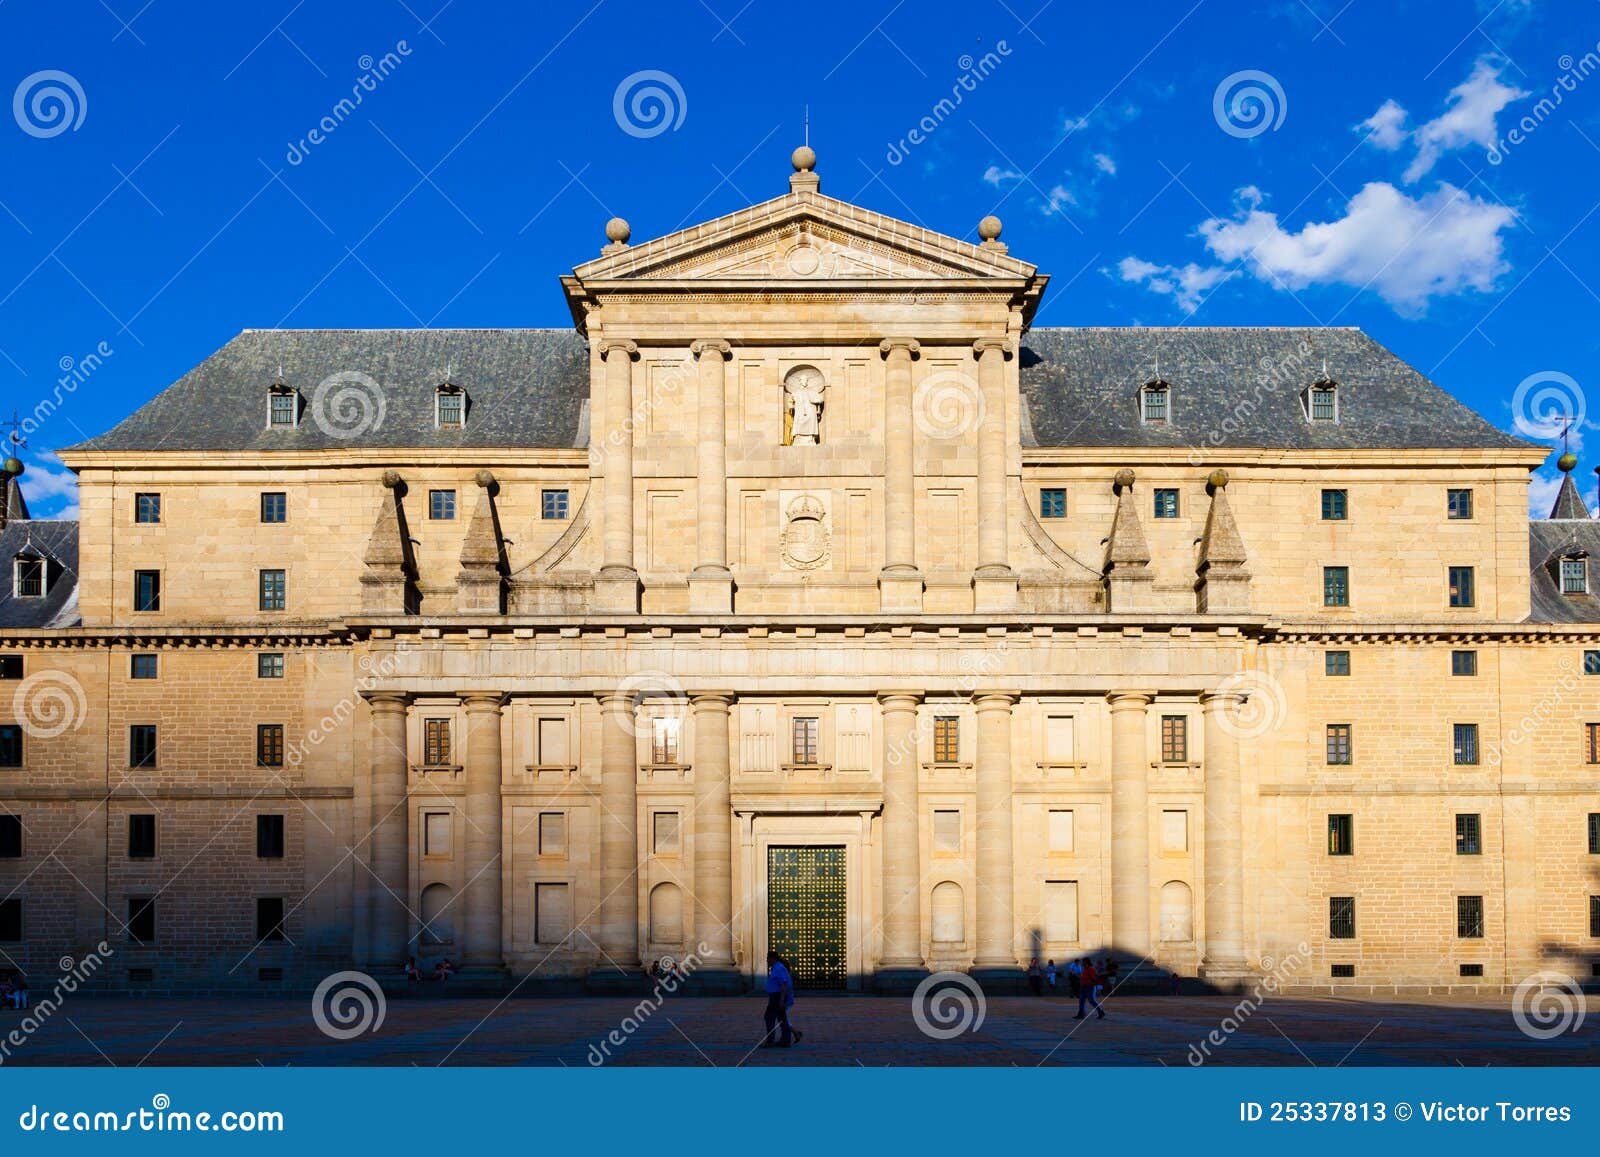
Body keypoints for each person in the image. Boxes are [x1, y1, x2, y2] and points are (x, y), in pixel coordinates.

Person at [762, 950, 796, 1047]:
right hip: (776, 996)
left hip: (777, 996)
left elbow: (783, 984)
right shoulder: (776, 967)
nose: (767, 961)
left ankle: (771, 1041)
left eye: (768, 958)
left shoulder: (778, 968)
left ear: (773, 959)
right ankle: (785, 1040)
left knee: (769, 1017)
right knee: (781, 1018)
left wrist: (781, 1000)